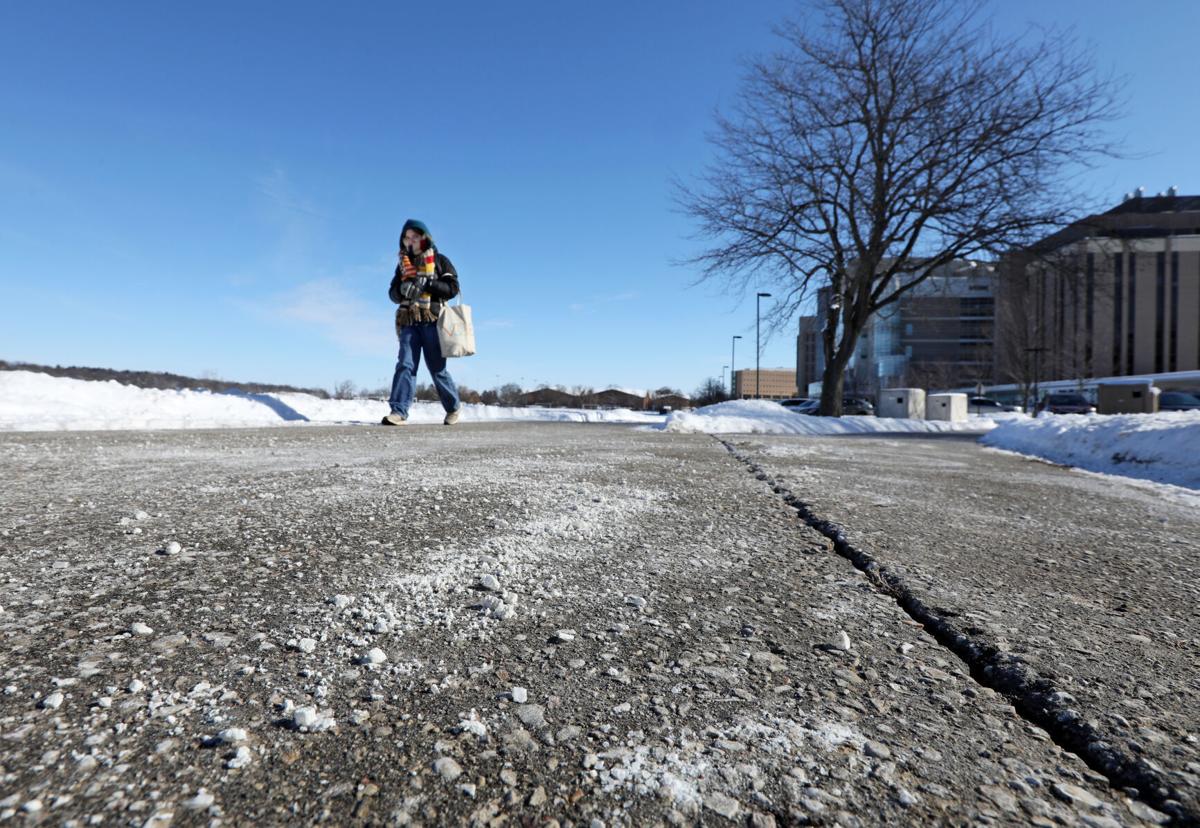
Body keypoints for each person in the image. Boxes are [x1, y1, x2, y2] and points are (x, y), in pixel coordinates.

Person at [382, 219, 462, 426]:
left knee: (437, 368)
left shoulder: (439, 260)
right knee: (405, 364)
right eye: (407, 237)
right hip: (409, 320)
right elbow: (392, 293)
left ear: (424, 238)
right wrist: (400, 290)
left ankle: (453, 407)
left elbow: (452, 288)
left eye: (415, 237)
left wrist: (428, 283)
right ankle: (399, 411)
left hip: (433, 320)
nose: (411, 241)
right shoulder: (402, 265)